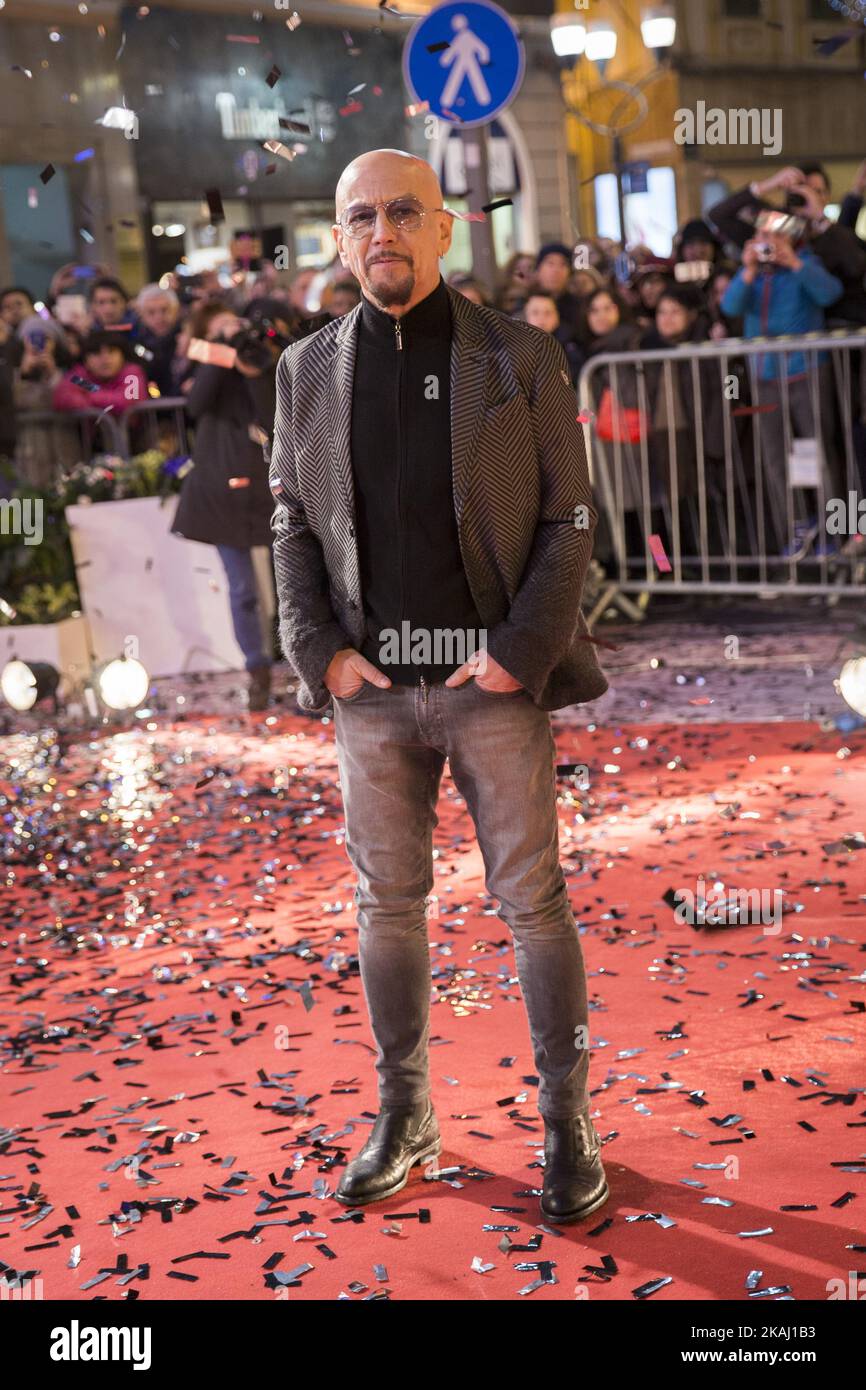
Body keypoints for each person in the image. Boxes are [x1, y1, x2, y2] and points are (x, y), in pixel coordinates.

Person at [269, 147, 610, 1224]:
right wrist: (317, 648)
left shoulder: (517, 357)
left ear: (444, 228)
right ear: (336, 236)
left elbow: (568, 520)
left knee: (533, 907)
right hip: (367, 692)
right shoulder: (305, 370)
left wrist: (520, 649)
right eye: (360, 215)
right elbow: (288, 521)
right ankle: (404, 1113)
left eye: (403, 212)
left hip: (491, 683)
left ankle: (566, 1123)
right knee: (386, 908)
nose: (383, 232)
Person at [170, 308, 286, 710]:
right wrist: (222, 355)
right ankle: (257, 667)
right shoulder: (209, 367)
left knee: (292, 585)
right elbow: (196, 404)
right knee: (242, 589)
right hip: (222, 491)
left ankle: (294, 659)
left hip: (271, 488)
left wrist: (253, 367)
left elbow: (272, 417)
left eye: (237, 326)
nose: (234, 335)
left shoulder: (265, 361)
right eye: (221, 329)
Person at [720, 227, 844, 552]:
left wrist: (793, 262)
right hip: (764, 375)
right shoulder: (752, 273)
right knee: (775, 456)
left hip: (808, 370)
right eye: (762, 237)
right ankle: (796, 524)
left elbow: (829, 293)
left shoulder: (805, 262)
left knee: (817, 451)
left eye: (776, 237)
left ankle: (832, 528)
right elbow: (731, 307)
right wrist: (747, 270)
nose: (769, 244)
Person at [53, 329, 148, 414]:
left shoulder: (132, 373)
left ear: (122, 355)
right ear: (86, 360)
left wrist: (90, 394)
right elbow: (62, 398)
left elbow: (128, 402)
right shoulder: (80, 375)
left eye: (111, 351)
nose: (105, 359)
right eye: (96, 353)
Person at [521, 286, 584, 384]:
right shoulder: (515, 343)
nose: (541, 319)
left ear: (557, 316)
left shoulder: (570, 342)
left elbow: (575, 373)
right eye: (535, 313)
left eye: (548, 313)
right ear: (525, 316)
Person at [134, 284, 182, 396]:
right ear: (142, 315)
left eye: (164, 310)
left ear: (176, 310)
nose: (159, 317)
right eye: (151, 312)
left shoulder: (187, 339)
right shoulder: (137, 345)